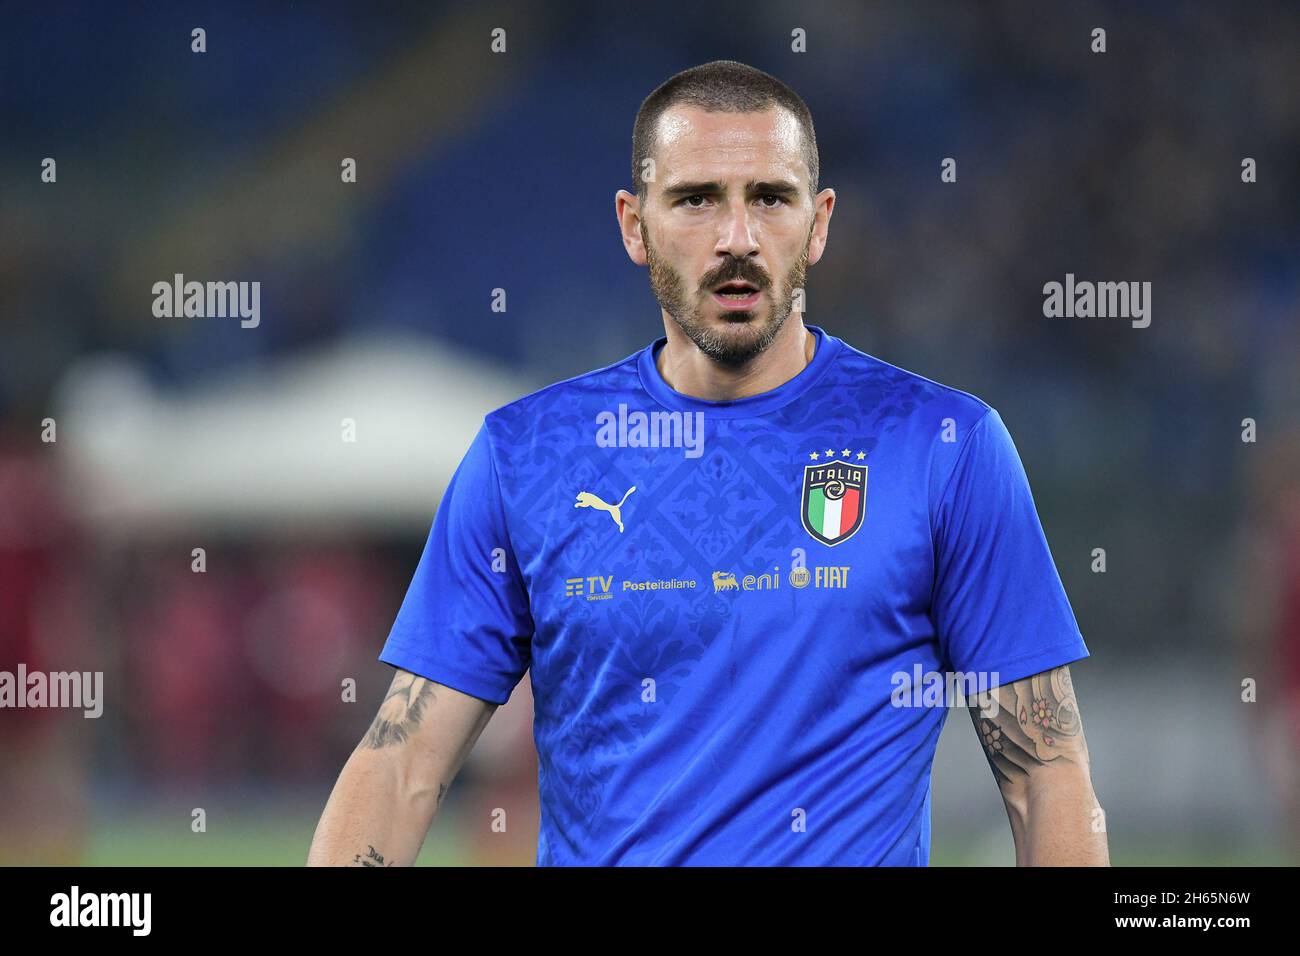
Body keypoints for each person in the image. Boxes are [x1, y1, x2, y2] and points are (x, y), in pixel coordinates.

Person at [308, 60, 1107, 866]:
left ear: (820, 221)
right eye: (695, 200)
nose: (737, 238)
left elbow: (1046, 778)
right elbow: (403, 762)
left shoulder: (942, 447)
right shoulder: (526, 455)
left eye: (770, 197)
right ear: (634, 225)